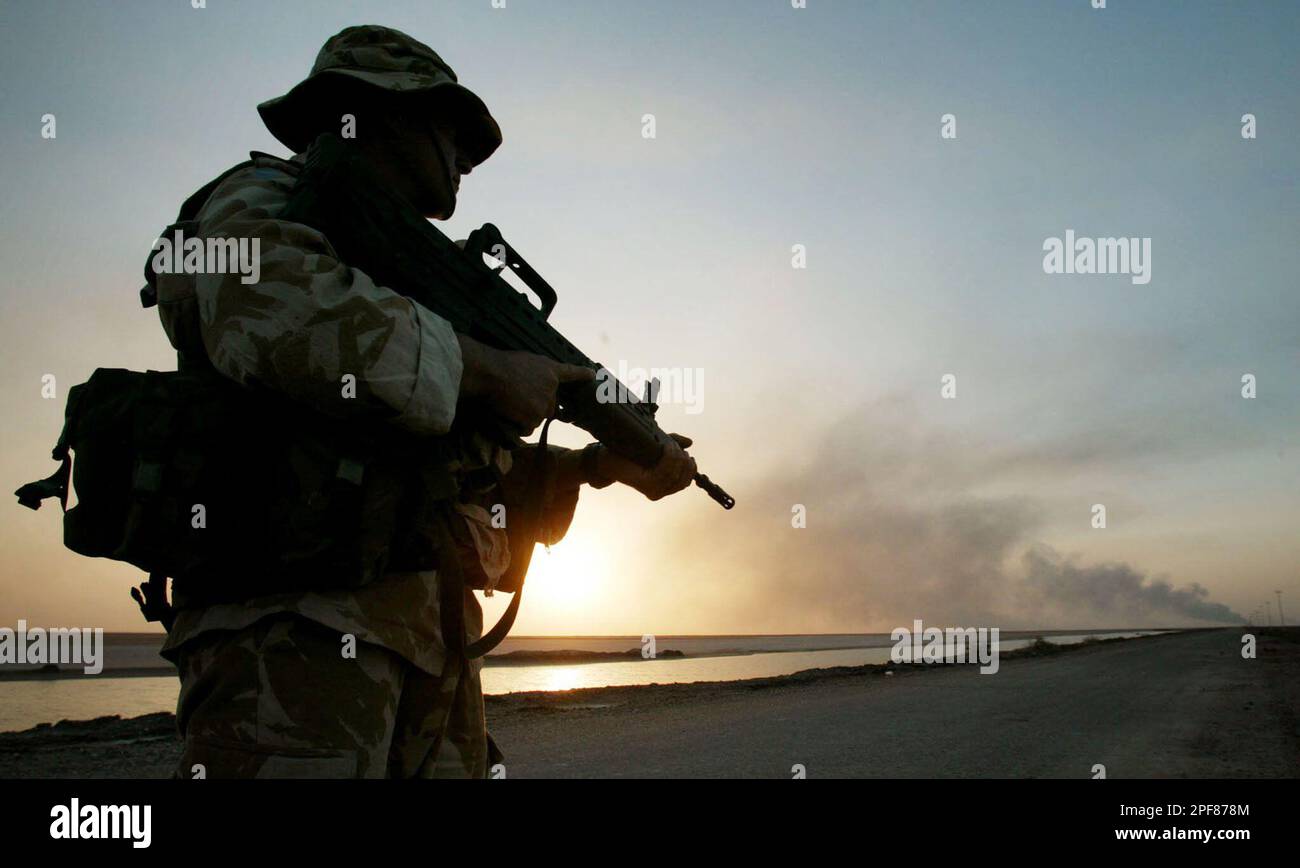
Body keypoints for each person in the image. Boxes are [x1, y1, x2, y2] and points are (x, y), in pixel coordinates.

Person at [153, 24, 697, 779]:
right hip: (293, 632)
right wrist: (484, 368)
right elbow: (268, 313)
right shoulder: (266, 198)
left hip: (427, 634)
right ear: (380, 112)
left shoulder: (417, 271)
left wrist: (595, 466)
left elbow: (443, 473)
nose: (466, 159)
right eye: (451, 129)